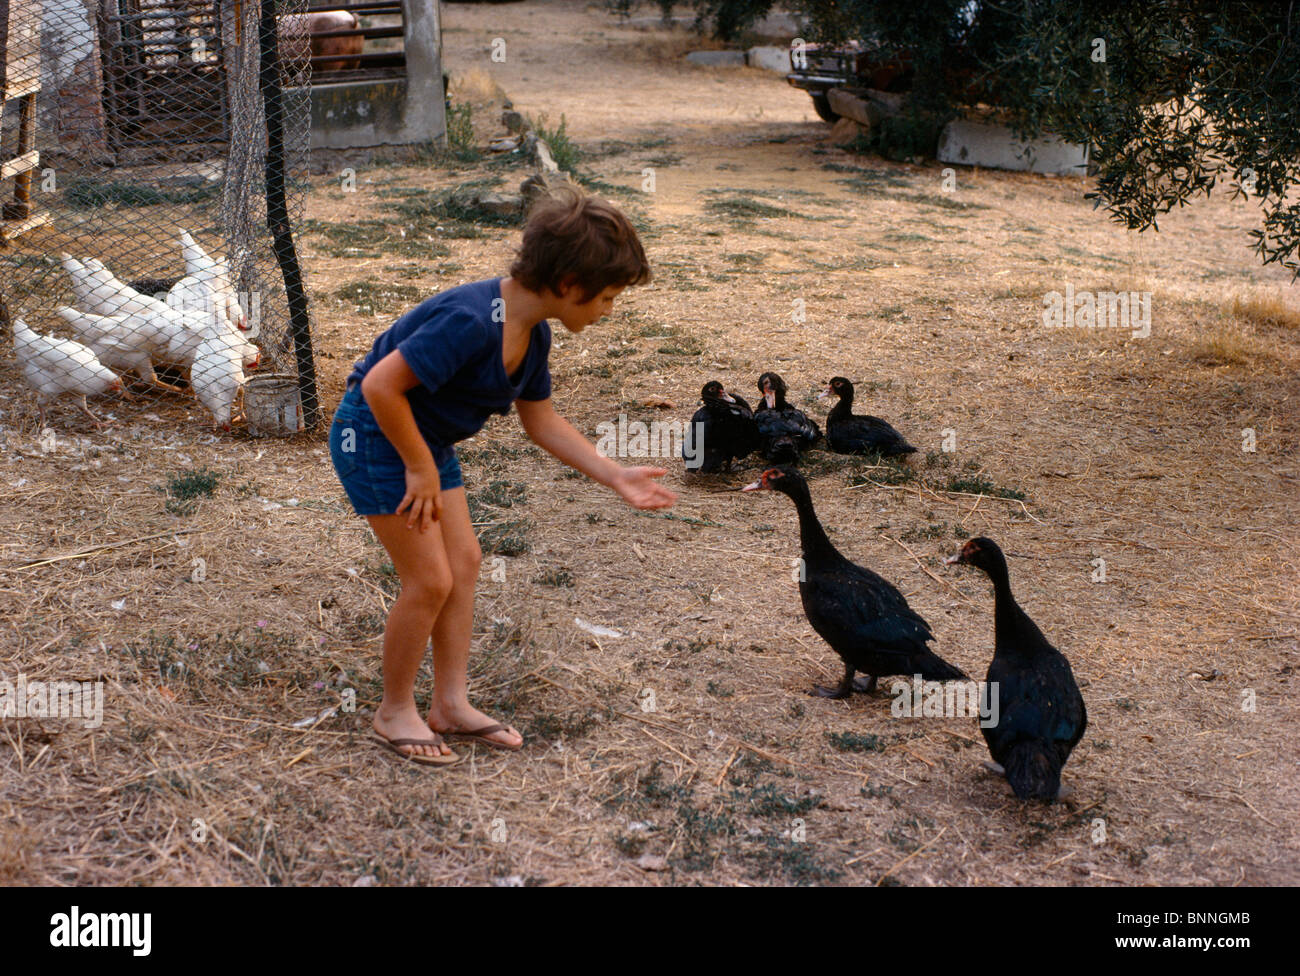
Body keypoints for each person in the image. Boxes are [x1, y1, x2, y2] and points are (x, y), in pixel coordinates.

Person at [330, 185, 677, 764]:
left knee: (464, 563)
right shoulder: (470, 321)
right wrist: (417, 466)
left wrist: (614, 475)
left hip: (423, 439)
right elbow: (379, 386)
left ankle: (450, 704)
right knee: (429, 580)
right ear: (568, 284)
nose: (608, 311)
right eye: (608, 298)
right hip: (375, 435)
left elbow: (540, 423)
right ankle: (393, 711)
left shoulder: (533, 334)